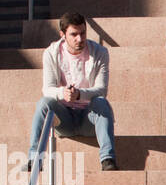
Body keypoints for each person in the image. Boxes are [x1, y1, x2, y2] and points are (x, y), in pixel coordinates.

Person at [28, 11, 116, 171]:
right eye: (74, 34)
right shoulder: (51, 53)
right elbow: (47, 89)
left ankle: (107, 159)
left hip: (89, 118)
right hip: (64, 118)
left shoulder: (100, 53)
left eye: (83, 33)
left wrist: (79, 94)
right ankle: (35, 158)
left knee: (101, 102)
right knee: (43, 103)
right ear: (63, 35)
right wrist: (63, 93)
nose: (80, 39)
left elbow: (102, 89)